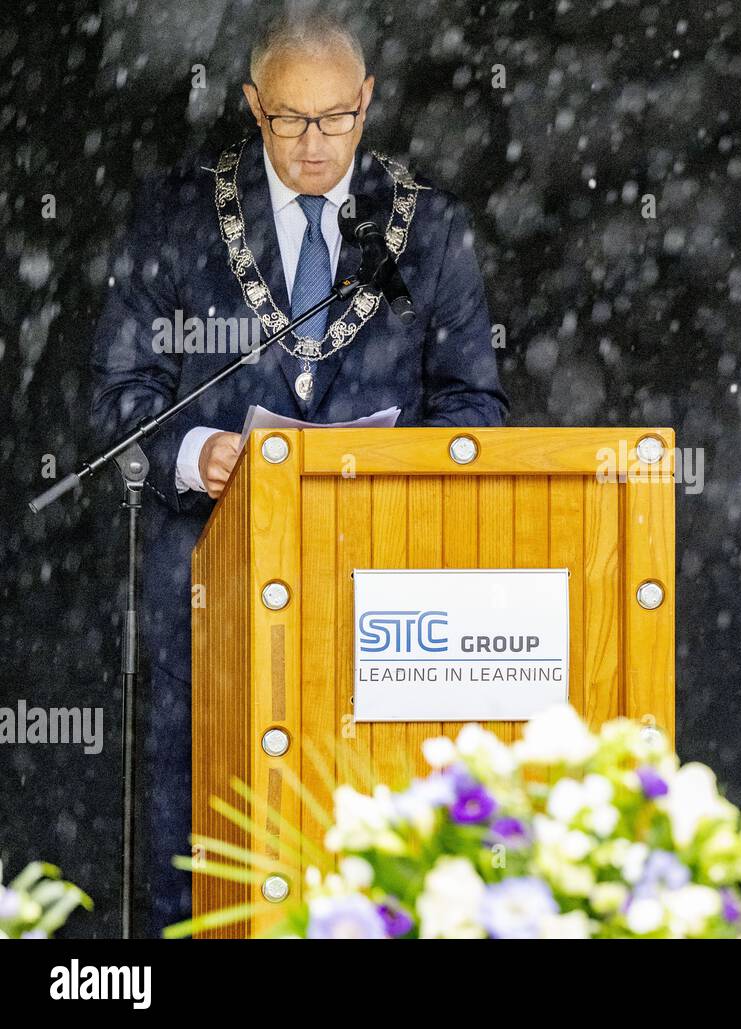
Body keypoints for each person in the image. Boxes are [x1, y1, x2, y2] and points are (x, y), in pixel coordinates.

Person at [89, 12, 509, 937]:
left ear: (366, 104)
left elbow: (477, 408)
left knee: (366, 836)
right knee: (201, 843)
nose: (314, 145)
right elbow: (117, 398)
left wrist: (385, 469)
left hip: (381, 598)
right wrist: (199, 453)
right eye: (288, 121)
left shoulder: (429, 230)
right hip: (209, 583)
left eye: (335, 120)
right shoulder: (173, 217)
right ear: (251, 107)